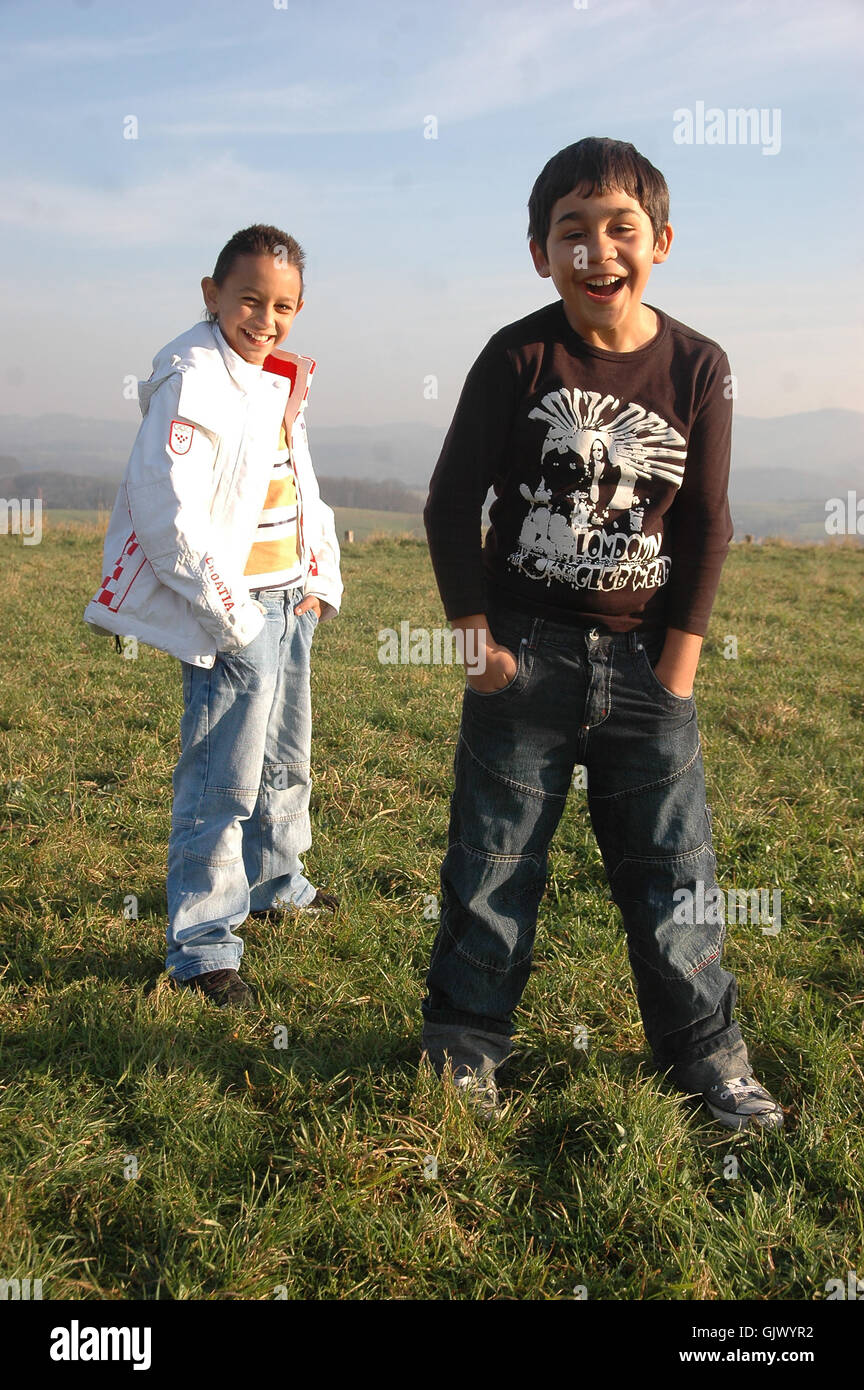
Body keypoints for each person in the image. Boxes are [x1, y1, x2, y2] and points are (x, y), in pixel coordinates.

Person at [421, 138, 783, 1129]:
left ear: (660, 242)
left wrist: (679, 663)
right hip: (521, 658)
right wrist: (475, 640)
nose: (597, 251)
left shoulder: (700, 366)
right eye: (570, 232)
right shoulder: (517, 356)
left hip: (644, 666)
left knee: (674, 875)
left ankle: (708, 1060)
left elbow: (706, 519)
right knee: (492, 865)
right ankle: (464, 1049)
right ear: (539, 252)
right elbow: (452, 503)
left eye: (620, 228)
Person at [83, 224, 342, 1008]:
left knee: (283, 762)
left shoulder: (273, 377)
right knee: (220, 779)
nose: (266, 318)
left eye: (284, 305)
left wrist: (319, 576)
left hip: (287, 598)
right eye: (250, 301)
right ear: (212, 295)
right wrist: (234, 618)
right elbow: (169, 515)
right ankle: (202, 945)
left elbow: (298, 482)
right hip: (236, 609)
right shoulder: (192, 376)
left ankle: (275, 881)